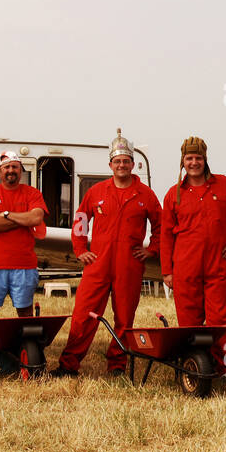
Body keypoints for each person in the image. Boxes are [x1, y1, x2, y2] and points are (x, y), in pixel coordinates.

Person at [53, 129, 161, 377]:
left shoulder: (146, 195)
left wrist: (153, 249)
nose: (122, 165)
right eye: (117, 161)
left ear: (133, 164)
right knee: (83, 315)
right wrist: (80, 249)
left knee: (124, 318)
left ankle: (117, 366)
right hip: (98, 264)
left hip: (129, 265)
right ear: (110, 164)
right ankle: (69, 365)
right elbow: (80, 220)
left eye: (126, 161)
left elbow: (161, 226)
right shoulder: (97, 192)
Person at [159, 136, 226, 386]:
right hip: (185, 268)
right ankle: (190, 366)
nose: (194, 162)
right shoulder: (174, 194)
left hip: (217, 266)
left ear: (205, 159)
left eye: (198, 158)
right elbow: (166, 235)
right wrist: (167, 272)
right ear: (183, 161)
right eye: (189, 158)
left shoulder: (224, 185)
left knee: (222, 324)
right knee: (188, 324)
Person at [0, 151, 49, 368]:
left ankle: (25, 352)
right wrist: (21, 218)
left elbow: (36, 217)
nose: (11, 171)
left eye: (15, 167)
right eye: (6, 167)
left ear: (21, 171)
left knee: (24, 311)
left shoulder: (32, 192)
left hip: (24, 264)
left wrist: (5, 214)